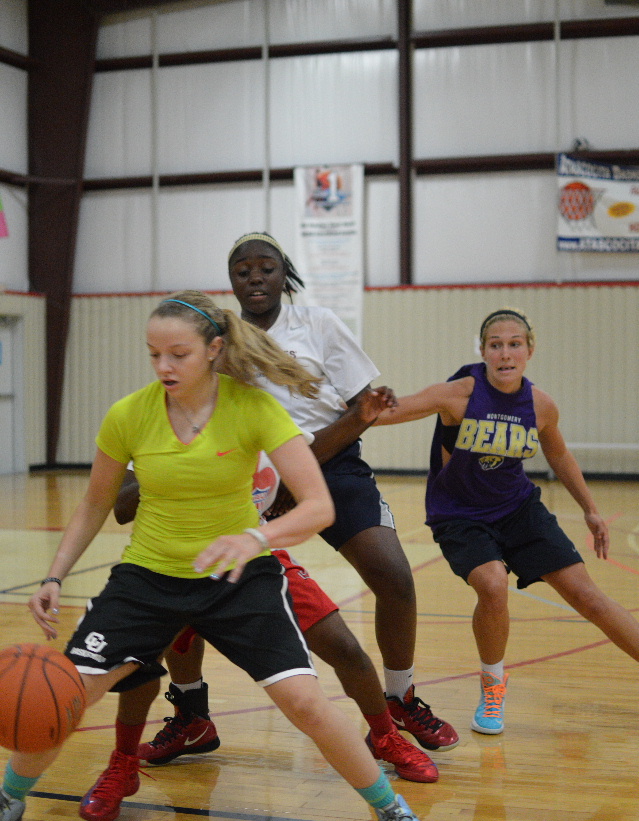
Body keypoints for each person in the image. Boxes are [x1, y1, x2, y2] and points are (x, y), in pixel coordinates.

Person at [0, 291, 442, 821]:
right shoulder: (129, 414)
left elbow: (317, 506)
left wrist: (254, 538)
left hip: (239, 577)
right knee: (63, 696)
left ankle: (392, 812)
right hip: (147, 578)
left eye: (178, 354)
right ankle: (9, 798)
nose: (163, 366)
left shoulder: (253, 409)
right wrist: (55, 575)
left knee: (306, 703)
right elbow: (93, 506)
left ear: (213, 350)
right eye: (154, 353)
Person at [223, 231, 458, 751]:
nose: (255, 278)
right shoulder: (223, 341)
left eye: (265, 268)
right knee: (195, 581)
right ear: (232, 281)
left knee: (394, 576)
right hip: (258, 480)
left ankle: (399, 697)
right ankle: (192, 711)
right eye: (243, 271)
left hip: (332, 464)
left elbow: (362, 410)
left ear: (284, 273)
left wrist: (303, 470)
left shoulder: (319, 324)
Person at [373, 306, 639, 734]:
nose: (505, 353)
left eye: (515, 344)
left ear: (529, 351)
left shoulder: (540, 405)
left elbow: (558, 453)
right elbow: (390, 412)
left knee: (588, 597)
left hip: (518, 509)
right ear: (482, 351)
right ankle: (493, 685)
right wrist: (346, 408)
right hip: (459, 515)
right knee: (493, 583)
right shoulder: (459, 392)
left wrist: (591, 509)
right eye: (495, 345)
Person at [106, 451, 439, 790]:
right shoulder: (157, 426)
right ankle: (130, 758)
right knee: (140, 662)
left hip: (255, 555)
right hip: (175, 560)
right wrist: (179, 468)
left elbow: (308, 487)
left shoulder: (258, 417)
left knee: (343, 647)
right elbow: (121, 508)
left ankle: (385, 737)